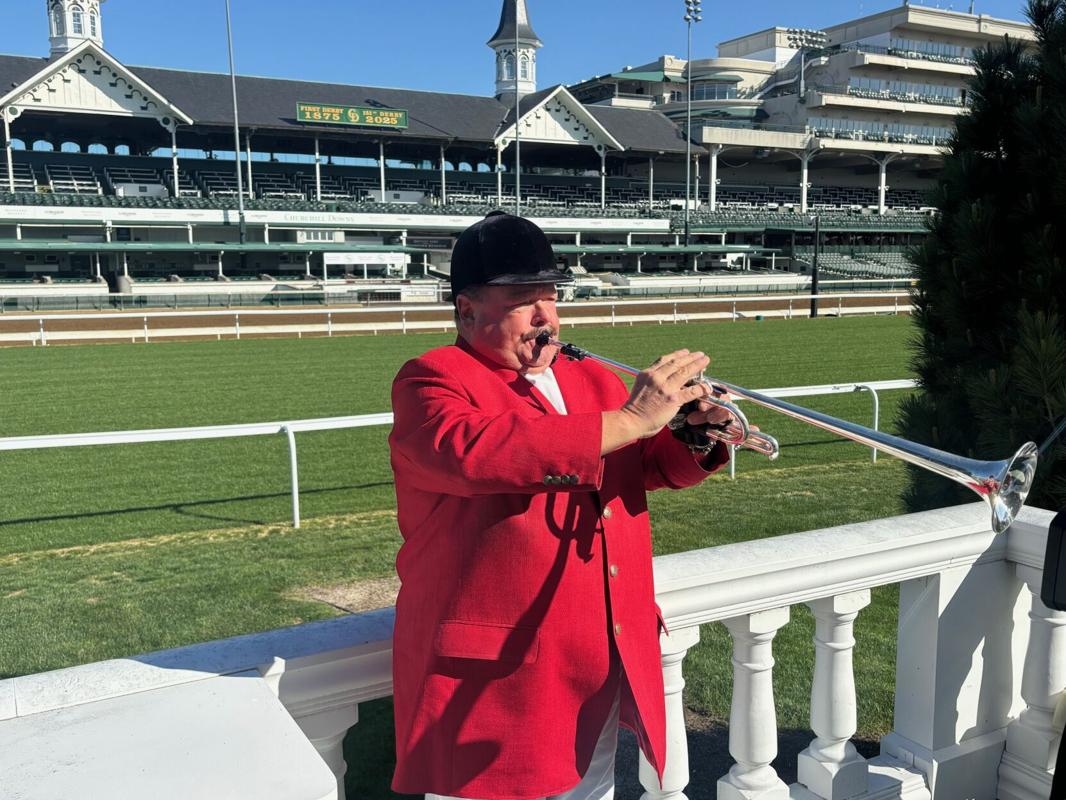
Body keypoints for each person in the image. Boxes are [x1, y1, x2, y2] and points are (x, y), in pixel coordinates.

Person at [388, 211, 731, 800]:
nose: (547, 317)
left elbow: (641, 470)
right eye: (524, 301)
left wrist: (696, 437)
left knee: (592, 789)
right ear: (468, 311)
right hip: (495, 683)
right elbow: (477, 454)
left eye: (552, 297)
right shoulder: (431, 380)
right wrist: (628, 420)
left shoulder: (589, 377)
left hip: (595, 660)